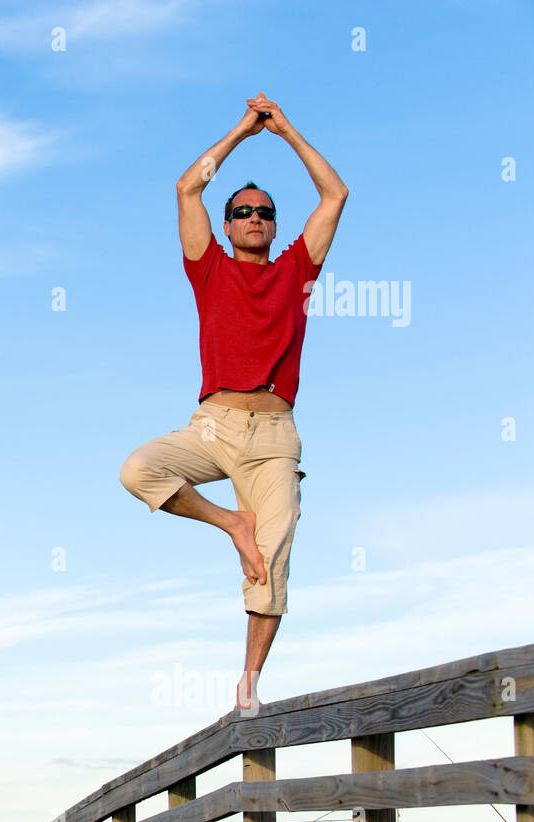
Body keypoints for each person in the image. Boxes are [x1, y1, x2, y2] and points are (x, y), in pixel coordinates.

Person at [119, 92, 348, 713]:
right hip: (216, 426)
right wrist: (245, 131)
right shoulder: (209, 268)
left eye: (264, 213)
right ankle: (231, 524)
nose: (254, 218)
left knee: (271, 563)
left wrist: (289, 131)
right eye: (243, 211)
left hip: (275, 437)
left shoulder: (297, 268)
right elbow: (186, 188)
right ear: (227, 225)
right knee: (138, 470)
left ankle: (248, 682)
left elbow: (335, 195)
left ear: (274, 226)